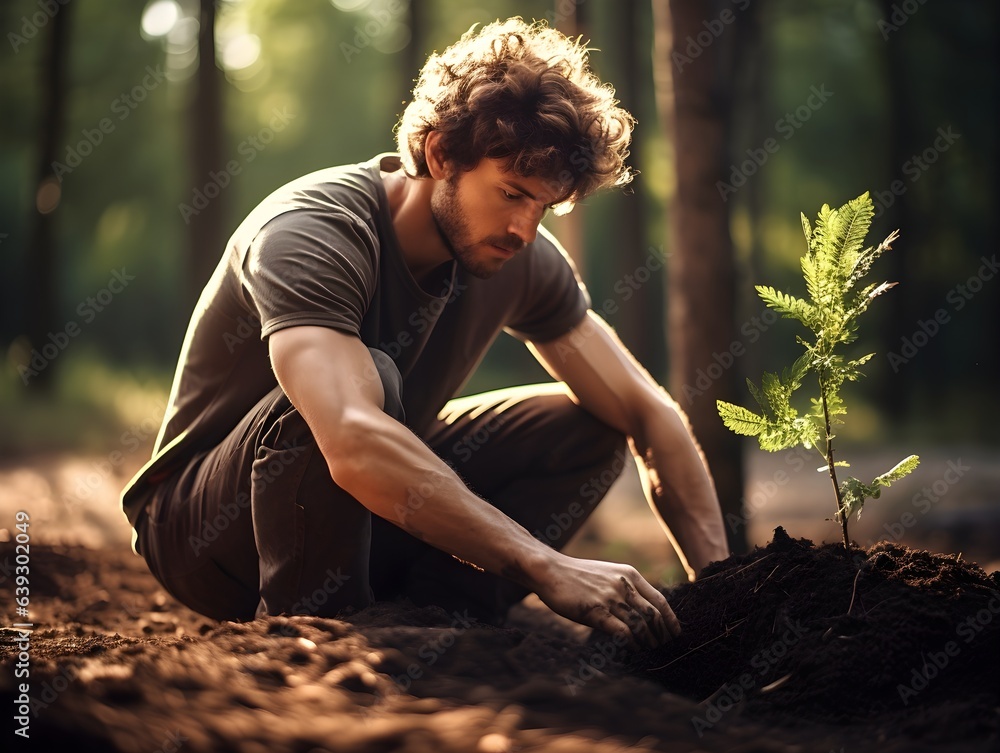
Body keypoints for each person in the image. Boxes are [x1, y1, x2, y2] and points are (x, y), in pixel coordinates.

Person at [121, 17, 728, 650]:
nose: (524, 229)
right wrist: (544, 563)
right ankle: (322, 629)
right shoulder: (313, 229)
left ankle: (439, 623)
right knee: (364, 388)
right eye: (512, 193)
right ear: (439, 154)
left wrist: (722, 594)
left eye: (544, 206)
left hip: (362, 515)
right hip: (206, 533)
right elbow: (351, 439)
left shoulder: (520, 257)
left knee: (589, 426)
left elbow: (650, 414)